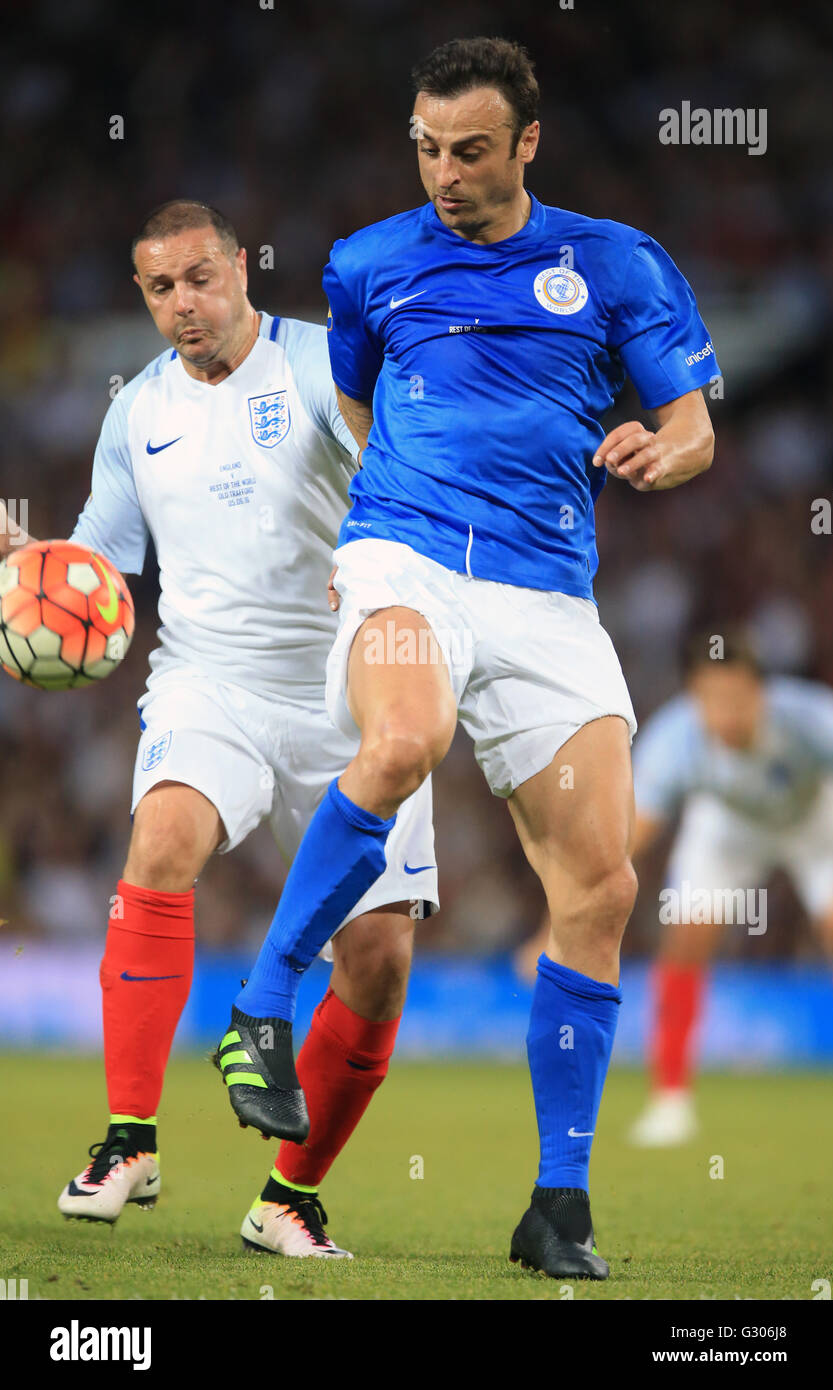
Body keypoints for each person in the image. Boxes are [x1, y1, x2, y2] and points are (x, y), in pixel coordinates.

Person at [217, 36, 718, 1281]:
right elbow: (356, 408)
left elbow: (692, 425)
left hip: (548, 594)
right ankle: (262, 1001)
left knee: (600, 887)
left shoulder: (616, 262)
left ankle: (558, 1204)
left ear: (528, 143)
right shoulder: (369, 262)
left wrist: (663, 453)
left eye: (472, 149)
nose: (445, 173)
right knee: (404, 737)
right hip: (408, 559)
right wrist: (371, 534)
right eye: (428, 148)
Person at [0, 199, 438, 1258]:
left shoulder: (320, 364)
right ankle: (129, 1140)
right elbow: (102, 573)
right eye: (162, 288)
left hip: (352, 686)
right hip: (211, 682)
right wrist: (34, 572)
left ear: (241, 267)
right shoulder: (135, 412)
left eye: (200, 277)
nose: (184, 303)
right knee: (160, 842)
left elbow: (401, 474)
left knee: (378, 959)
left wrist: (380, 563)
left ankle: (288, 1198)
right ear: (143, 296)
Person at [626, 631, 833, 1145]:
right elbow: (629, 840)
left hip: (815, 820)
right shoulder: (674, 740)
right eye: (711, 699)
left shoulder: (811, 718)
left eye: (737, 698)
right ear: (693, 698)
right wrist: (555, 922)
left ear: (762, 692)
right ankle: (670, 1103)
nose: (726, 713)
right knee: (685, 937)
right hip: (727, 829)